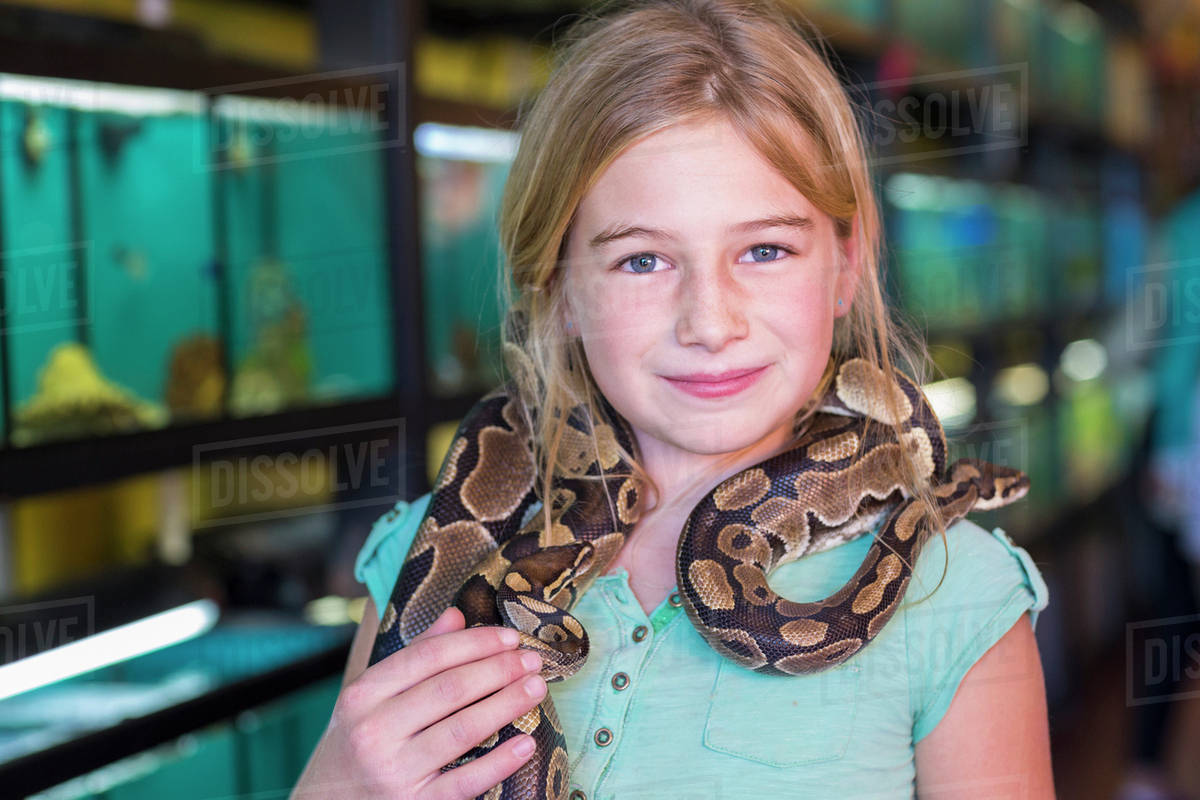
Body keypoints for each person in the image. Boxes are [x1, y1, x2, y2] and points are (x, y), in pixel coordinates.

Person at [292, 0, 1054, 797]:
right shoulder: (424, 553)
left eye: (764, 249)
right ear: (558, 294)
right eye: (643, 262)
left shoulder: (957, 594)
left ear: (845, 264)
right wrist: (337, 784)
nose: (710, 323)